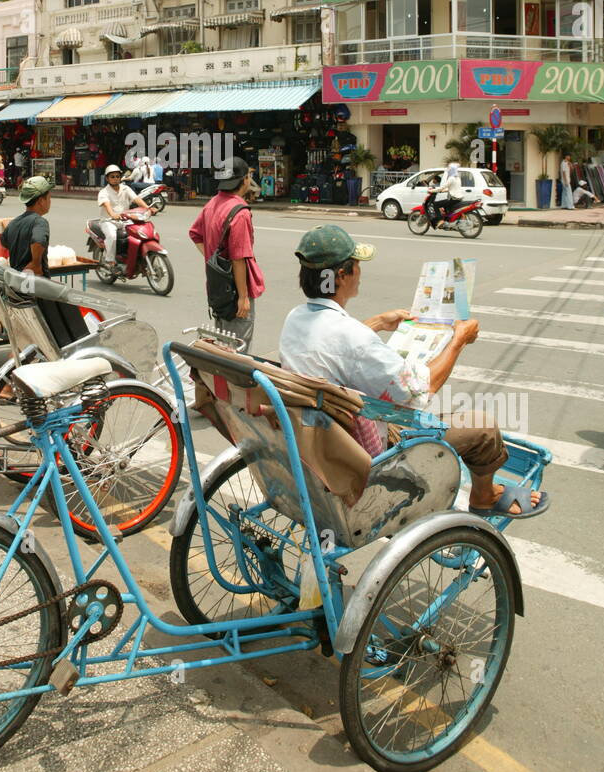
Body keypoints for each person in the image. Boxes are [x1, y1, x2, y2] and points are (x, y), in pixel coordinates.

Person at [280, 226, 546, 517]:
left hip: (317, 438)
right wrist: (458, 340)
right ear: (341, 276)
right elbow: (417, 391)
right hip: (364, 452)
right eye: (356, 266)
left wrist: (380, 322)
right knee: (483, 428)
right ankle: (484, 496)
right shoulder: (350, 336)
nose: (360, 272)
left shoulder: (296, 318)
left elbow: (333, 347)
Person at [189, 157, 265, 349]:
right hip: (233, 290)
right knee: (236, 351)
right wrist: (243, 296)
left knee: (222, 346)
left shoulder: (213, 202)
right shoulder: (240, 212)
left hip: (216, 286)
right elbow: (239, 259)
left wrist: (214, 261)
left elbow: (195, 234)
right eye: (248, 176)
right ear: (244, 179)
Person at [97, 164, 150, 268]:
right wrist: (113, 214)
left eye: (117, 176)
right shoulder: (103, 192)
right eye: (112, 177)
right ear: (107, 178)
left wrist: (148, 208)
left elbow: (137, 199)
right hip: (108, 221)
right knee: (112, 236)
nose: (115, 179)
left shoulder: (126, 189)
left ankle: (134, 257)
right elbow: (106, 205)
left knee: (139, 232)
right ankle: (109, 260)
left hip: (125, 220)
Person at [0, 175, 53, 275]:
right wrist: (35, 263)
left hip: (17, 282)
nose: (50, 201)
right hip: (35, 286)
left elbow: (4, 241)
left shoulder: (13, 223)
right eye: (49, 198)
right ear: (41, 201)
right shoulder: (40, 222)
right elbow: (39, 240)